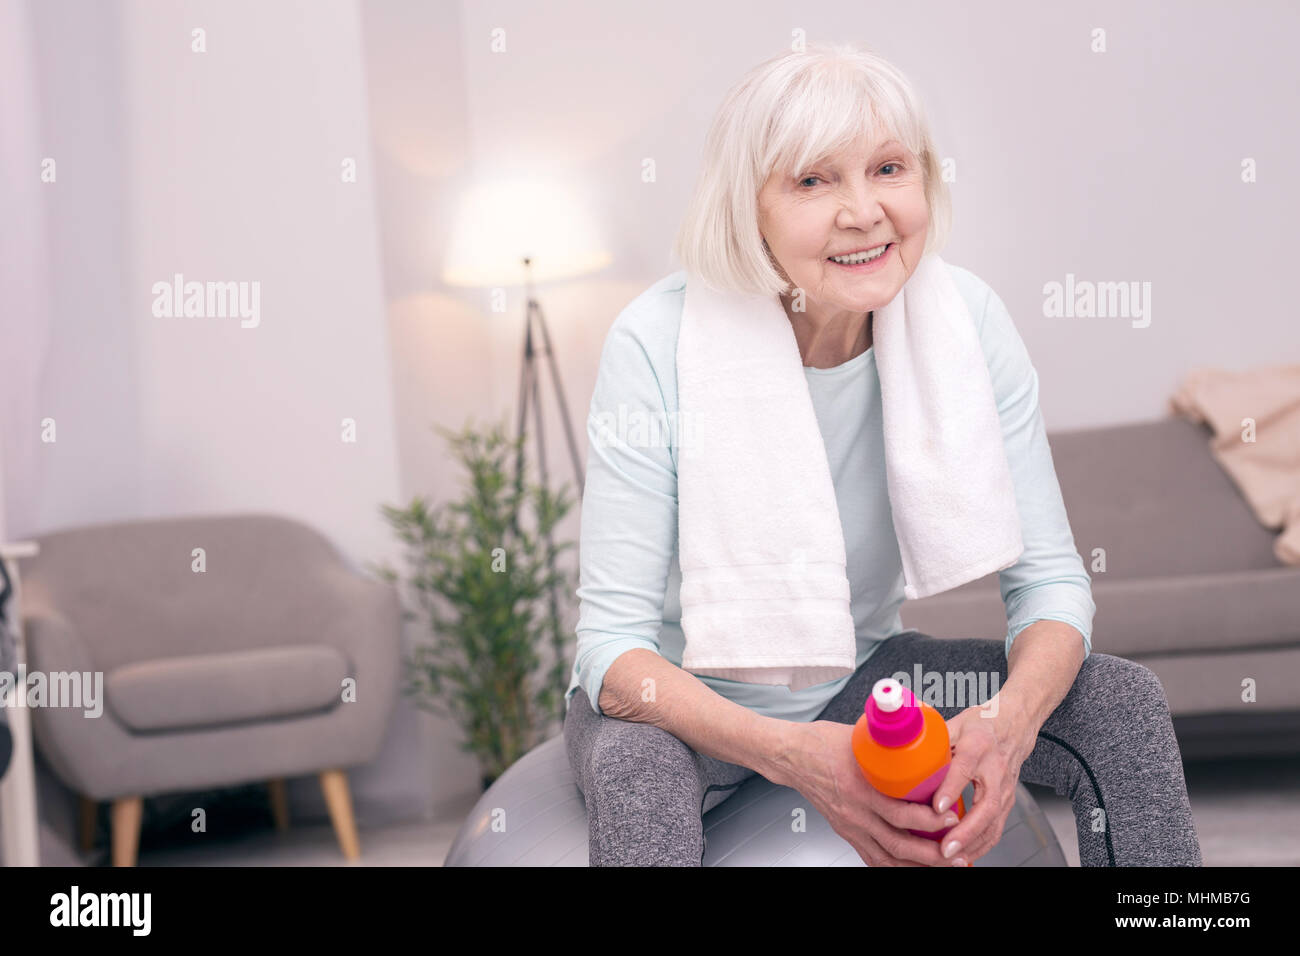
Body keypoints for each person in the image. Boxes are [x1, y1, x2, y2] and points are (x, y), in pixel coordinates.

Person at [563, 42, 1202, 867]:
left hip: (862, 681)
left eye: (889, 169)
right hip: (681, 708)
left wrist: (1006, 726)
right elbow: (612, 654)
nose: (864, 212)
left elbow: (1051, 586)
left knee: (1119, 703)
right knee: (636, 774)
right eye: (812, 180)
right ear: (744, 208)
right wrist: (796, 756)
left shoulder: (965, 324)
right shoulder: (655, 340)